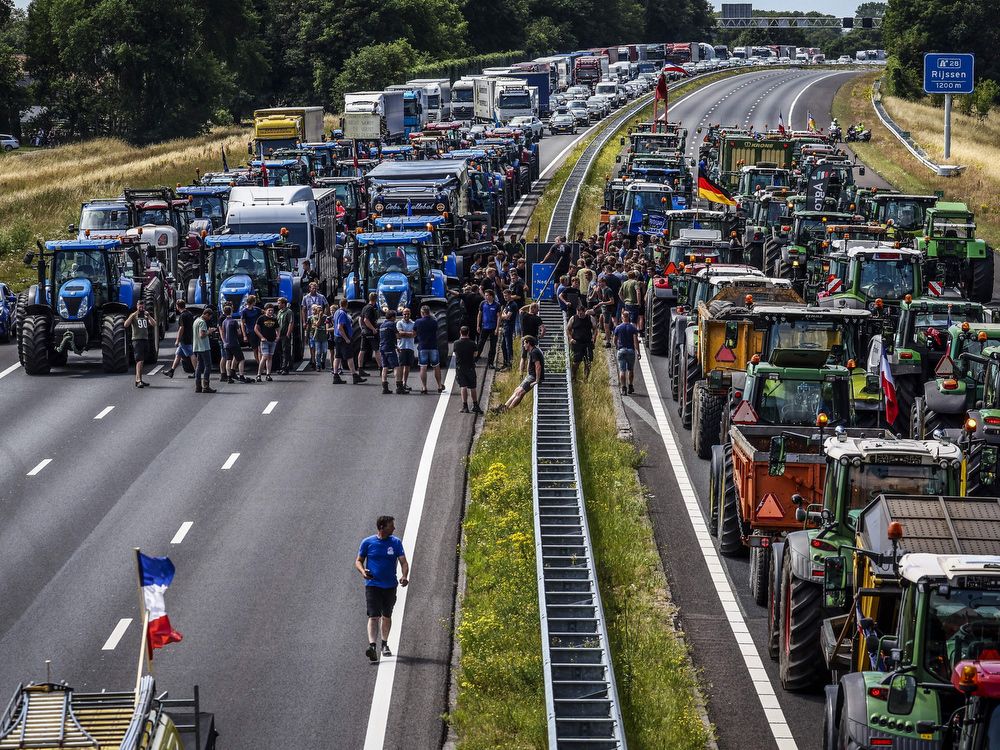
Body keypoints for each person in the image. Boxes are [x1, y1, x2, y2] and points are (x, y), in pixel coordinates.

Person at [355, 515, 409, 662]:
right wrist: (363, 571)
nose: (394, 528)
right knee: (373, 616)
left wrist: (404, 576)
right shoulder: (367, 542)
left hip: (390, 586)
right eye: (391, 525)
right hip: (373, 585)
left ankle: (384, 644)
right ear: (382, 527)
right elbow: (359, 561)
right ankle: (372, 646)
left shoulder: (396, 543)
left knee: (387, 615)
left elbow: (403, 562)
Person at [495, 335, 543, 413]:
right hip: (530, 375)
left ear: (529, 343)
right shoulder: (533, 351)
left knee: (520, 393)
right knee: (517, 390)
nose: (523, 345)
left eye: (524, 343)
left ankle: (507, 411)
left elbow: (538, 366)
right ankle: (504, 407)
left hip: (533, 377)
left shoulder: (534, 352)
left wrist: (537, 380)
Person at [331, 298, 365, 384]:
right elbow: (340, 327)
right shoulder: (342, 314)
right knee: (349, 357)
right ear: (346, 305)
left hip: (337, 337)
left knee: (337, 357)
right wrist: (346, 339)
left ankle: (335, 375)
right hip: (343, 338)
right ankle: (354, 375)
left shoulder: (336, 312)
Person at [124, 300, 156, 388]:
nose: (141, 308)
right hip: (137, 340)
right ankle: (138, 380)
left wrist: (149, 316)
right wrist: (132, 315)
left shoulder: (145, 315)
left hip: (145, 339)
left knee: (142, 361)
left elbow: (154, 324)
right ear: (137, 306)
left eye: (142, 306)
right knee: (139, 360)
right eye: (139, 306)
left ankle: (139, 379)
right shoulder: (133, 315)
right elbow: (126, 325)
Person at [414, 305, 445, 394]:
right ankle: (439, 386)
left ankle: (424, 387)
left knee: (423, 367)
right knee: (436, 366)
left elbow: (414, 333)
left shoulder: (418, 322)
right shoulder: (434, 322)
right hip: (433, 346)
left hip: (422, 347)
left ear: (422, 313)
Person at [163, 299, 194, 379]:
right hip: (189, 336)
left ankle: (196, 372)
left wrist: (177, 340)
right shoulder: (189, 314)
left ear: (177, 306)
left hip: (184, 339)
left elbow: (181, 328)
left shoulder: (182, 316)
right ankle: (171, 371)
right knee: (178, 355)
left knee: (191, 355)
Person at [453, 326, 481, 413]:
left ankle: (465, 406)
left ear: (460, 332)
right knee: (473, 387)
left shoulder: (456, 343)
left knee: (463, 386)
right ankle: (475, 405)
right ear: (468, 332)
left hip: (460, 367)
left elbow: (455, 353)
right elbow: (476, 354)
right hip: (470, 367)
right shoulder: (472, 343)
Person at [301, 283, 329, 369]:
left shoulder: (321, 297)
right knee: (311, 342)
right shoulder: (305, 298)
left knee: (320, 342)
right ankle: (313, 360)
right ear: (309, 288)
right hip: (310, 321)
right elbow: (303, 310)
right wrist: (304, 321)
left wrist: (324, 315)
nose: (314, 290)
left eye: (316, 288)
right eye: (313, 288)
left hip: (319, 321)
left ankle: (319, 359)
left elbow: (327, 305)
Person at [613, 310, 641, 395]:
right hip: (630, 351)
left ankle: (623, 388)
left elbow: (614, 339)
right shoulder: (633, 328)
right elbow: (635, 340)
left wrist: (617, 347)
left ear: (622, 318)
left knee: (622, 370)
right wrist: (638, 352)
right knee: (630, 369)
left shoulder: (618, 328)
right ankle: (631, 386)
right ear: (628, 318)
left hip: (621, 350)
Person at [567, 304, 597, 379]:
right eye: (578, 312)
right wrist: (570, 338)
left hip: (588, 343)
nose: (579, 314)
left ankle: (586, 378)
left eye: (581, 313)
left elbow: (595, 329)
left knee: (588, 362)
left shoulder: (590, 318)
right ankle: (574, 376)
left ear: (584, 311)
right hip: (577, 343)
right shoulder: (573, 318)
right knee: (576, 362)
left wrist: (594, 337)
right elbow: (568, 329)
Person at [378, 309, 404, 394]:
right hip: (389, 348)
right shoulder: (392, 324)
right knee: (396, 366)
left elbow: (386, 338)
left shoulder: (382, 325)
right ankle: (399, 386)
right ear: (392, 317)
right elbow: (397, 336)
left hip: (382, 347)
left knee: (385, 367)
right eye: (395, 317)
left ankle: (385, 387)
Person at [221, 304, 248, 383]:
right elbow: (239, 332)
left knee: (228, 360)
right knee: (241, 359)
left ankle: (229, 377)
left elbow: (223, 332)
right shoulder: (234, 321)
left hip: (226, 343)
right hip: (234, 343)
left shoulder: (224, 322)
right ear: (231, 311)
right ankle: (241, 375)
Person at [192, 307, 216, 393]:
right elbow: (202, 334)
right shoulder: (202, 322)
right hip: (204, 347)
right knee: (208, 365)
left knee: (199, 366)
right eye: (209, 317)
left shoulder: (196, 321)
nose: (209, 319)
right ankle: (206, 386)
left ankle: (198, 386)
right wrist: (209, 332)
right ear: (206, 314)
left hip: (197, 346)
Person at [253, 304, 279, 381]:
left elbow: (278, 329)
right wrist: (261, 337)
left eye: (272, 310)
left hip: (272, 340)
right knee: (264, 357)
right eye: (269, 310)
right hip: (265, 341)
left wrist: (277, 336)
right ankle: (259, 374)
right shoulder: (261, 318)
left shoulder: (274, 319)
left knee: (270, 357)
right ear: (265, 311)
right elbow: (256, 329)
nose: (270, 312)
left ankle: (268, 374)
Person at [476, 289, 501, 367]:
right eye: (485, 295)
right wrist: (478, 325)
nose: (486, 297)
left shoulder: (497, 305)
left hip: (493, 328)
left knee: (493, 346)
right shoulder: (483, 303)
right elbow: (479, 315)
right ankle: (475, 359)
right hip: (484, 327)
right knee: (480, 344)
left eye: (487, 295)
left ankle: (490, 363)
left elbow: (499, 317)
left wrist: (497, 328)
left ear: (492, 296)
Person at [519, 302, 545, 374]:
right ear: (533, 309)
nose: (538, 311)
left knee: (523, 357)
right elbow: (543, 329)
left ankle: (521, 373)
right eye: (537, 309)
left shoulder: (523, 315)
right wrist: (540, 336)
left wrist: (529, 305)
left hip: (524, 338)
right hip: (533, 339)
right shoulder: (537, 318)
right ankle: (528, 373)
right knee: (530, 358)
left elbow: (521, 309)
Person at [358, 292, 380, 377]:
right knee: (377, 350)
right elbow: (366, 320)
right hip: (370, 332)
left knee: (362, 350)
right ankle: (381, 368)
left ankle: (360, 369)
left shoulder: (364, 307)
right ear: (376, 299)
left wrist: (362, 329)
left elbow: (360, 319)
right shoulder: (370, 308)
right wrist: (373, 329)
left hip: (364, 332)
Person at [396, 307, 416, 391]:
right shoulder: (399, 323)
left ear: (410, 314)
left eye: (408, 314)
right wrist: (409, 334)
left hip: (410, 347)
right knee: (400, 366)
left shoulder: (413, 323)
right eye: (404, 314)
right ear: (402, 314)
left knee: (407, 366)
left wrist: (404, 334)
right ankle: (400, 383)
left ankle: (405, 383)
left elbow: (414, 334)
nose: (406, 315)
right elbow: (399, 334)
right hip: (402, 347)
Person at [499, 288, 518, 370]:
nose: (505, 297)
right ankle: (505, 362)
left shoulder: (513, 305)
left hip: (509, 327)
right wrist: (503, 315)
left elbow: (507, 316)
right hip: (505, 327)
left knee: (508, 346)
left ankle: (510, 364)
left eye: (506, 295)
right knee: (503, 346)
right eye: (504, 295)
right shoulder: (507, 304)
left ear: (510, 295)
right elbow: (503, 313)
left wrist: (502, 315)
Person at [240, 294, 262, 363]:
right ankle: (259, 364)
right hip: (250, 331)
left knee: (260, 349)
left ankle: (262, 365)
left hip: (259, 331)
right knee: (255, 349)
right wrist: (244, 335)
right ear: (253, 302)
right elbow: (242, 324)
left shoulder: (256, 309)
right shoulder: (244, 311)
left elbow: (265, 312)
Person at [275, 297, 294, 375]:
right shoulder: (279, 312)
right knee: (279, 351)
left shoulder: (289, 312)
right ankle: (280, 367)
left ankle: (285, 368)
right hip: (279, 334)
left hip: (285, 334)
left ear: (283, 304)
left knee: (285, 351)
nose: (278, 304)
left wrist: (288, 334)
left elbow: (291, 322)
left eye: (279, 303)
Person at [307, 304, 329, 373]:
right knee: (318, 352)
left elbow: (327, 325)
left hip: (324, 337)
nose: (320, 311)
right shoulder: (313, 317)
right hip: (317, 337)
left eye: (321, 310)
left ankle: (323, 361)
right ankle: (318, 365)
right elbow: (317, 324)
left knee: (325, 351)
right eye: (318, 310)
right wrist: (319, 317)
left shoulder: (326, 317)